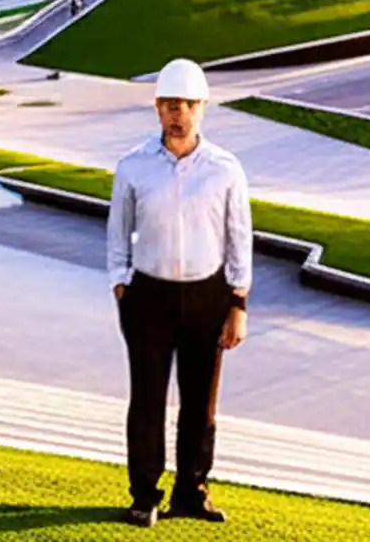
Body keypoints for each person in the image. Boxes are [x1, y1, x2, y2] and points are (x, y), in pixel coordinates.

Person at [106, 58, 253, 529]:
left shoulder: (226, 171)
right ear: (157, 108)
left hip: (208, 297)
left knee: (200, 403)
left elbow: (239, 239)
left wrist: (238, 304)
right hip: (148, 297)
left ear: (201, 109)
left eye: (187, 105)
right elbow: (117, 234)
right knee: (147, 400)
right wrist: (121, 285)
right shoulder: (132, 167)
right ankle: (144, 496)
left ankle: (191, 492)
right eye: (170, 105)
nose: (178, 114)